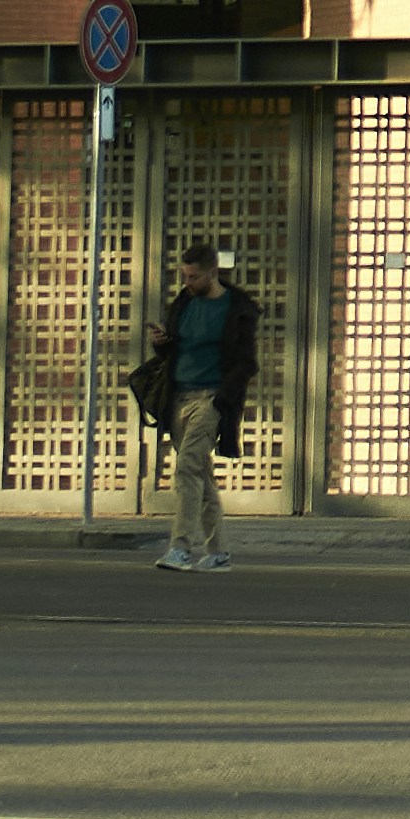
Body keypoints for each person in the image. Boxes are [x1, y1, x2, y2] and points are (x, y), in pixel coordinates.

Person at [131, 240, 261, 572]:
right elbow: (175, 349)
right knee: (201, 473)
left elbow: (247, 362)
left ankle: (181, 547)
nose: (188, 283)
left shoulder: (236, 308)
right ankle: (218, 552)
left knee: (187, 466)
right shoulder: (184, 302)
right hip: (178, 396)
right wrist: (162, 344)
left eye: (194, 277)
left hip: (211, 397)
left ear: (212, 272)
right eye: (185, 276)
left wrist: (223, 398)